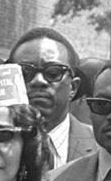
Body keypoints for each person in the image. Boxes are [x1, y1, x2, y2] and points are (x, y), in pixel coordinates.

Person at [7, 27, 96, 165]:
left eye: (53, 73)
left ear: (73, 87)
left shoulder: (101, 147)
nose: (38, 81)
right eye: (25, 72)